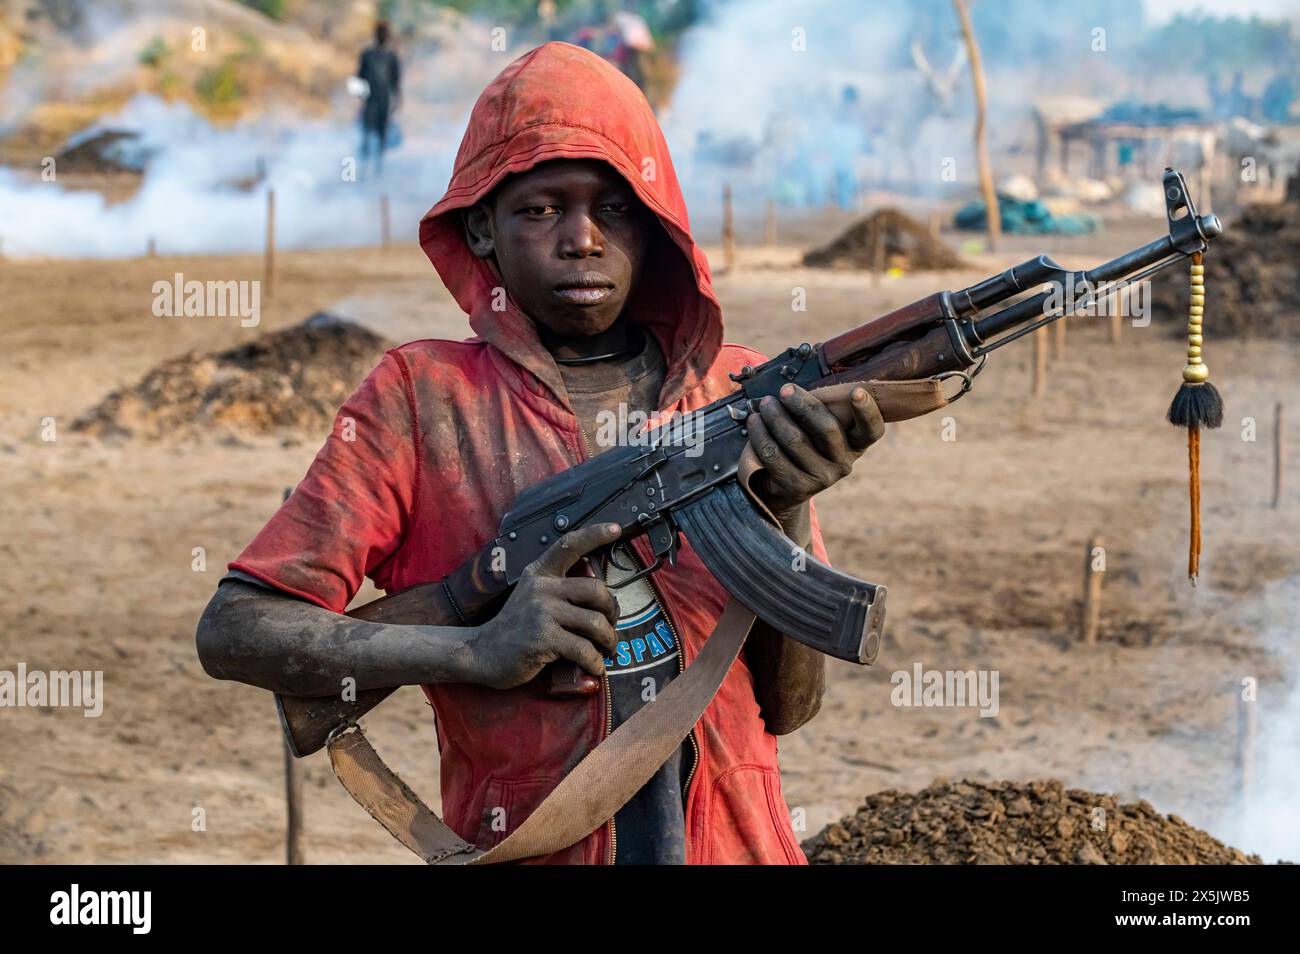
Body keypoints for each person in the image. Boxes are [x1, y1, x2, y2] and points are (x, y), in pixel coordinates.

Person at [196, 42, 884, 865]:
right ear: (481, 227)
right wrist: (473, 648)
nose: (582, 239)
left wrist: (788, 509)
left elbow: (790, 705)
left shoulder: (736, 393)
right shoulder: (423, 399)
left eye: (615, 209)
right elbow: (236, 628)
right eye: (541, 209)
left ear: (657, 222)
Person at [356, 21, 401, 177]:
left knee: (382, 133)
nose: (382, 36)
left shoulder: (392, 56)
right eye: (379, 33)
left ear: (387, 36)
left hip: (384, 100)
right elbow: (359, 76)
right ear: (375, 35)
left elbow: (396, 81)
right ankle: (363, 167)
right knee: (366, 133)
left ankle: (378, 168)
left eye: (384, 33)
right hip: (369, 100)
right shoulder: (366, 54)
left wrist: (397, 100)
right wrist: (359, 100)